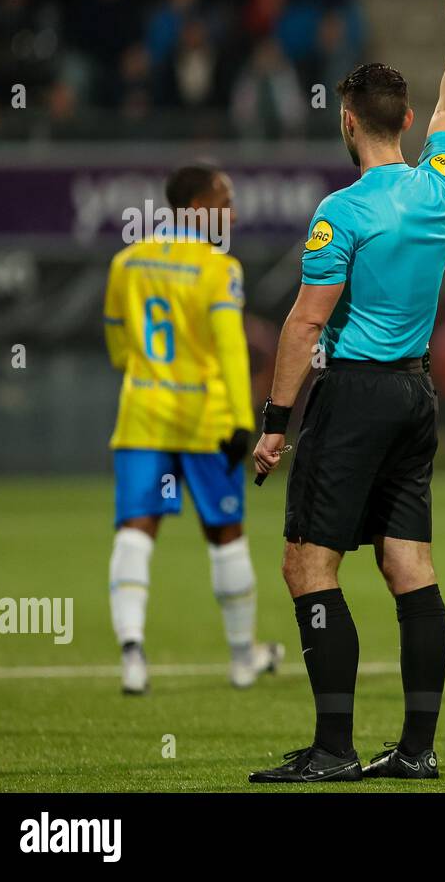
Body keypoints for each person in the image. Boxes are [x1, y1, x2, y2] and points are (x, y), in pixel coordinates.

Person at [247, 0, 445, 783]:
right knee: (408, 564)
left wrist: (275, 420)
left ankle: (334, 750)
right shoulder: (436, 182)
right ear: (407, 123)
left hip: (354, 395)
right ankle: (416, 751)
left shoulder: (341, 212)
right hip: (417, 393)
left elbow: (306, 323)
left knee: (308, 566)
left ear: (346, 122)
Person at [103, 164, 281, 695]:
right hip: (206, 421)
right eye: (224, 199)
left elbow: (117, 340)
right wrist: (244, 421)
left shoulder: (127, 261)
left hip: (142, 417)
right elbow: (231, 349)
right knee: (225, 535)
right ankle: (241, 659)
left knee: (136, 529)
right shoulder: (217, 268)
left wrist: (144, 375)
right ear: (197, 206)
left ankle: (132, 655)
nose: (231, 210)